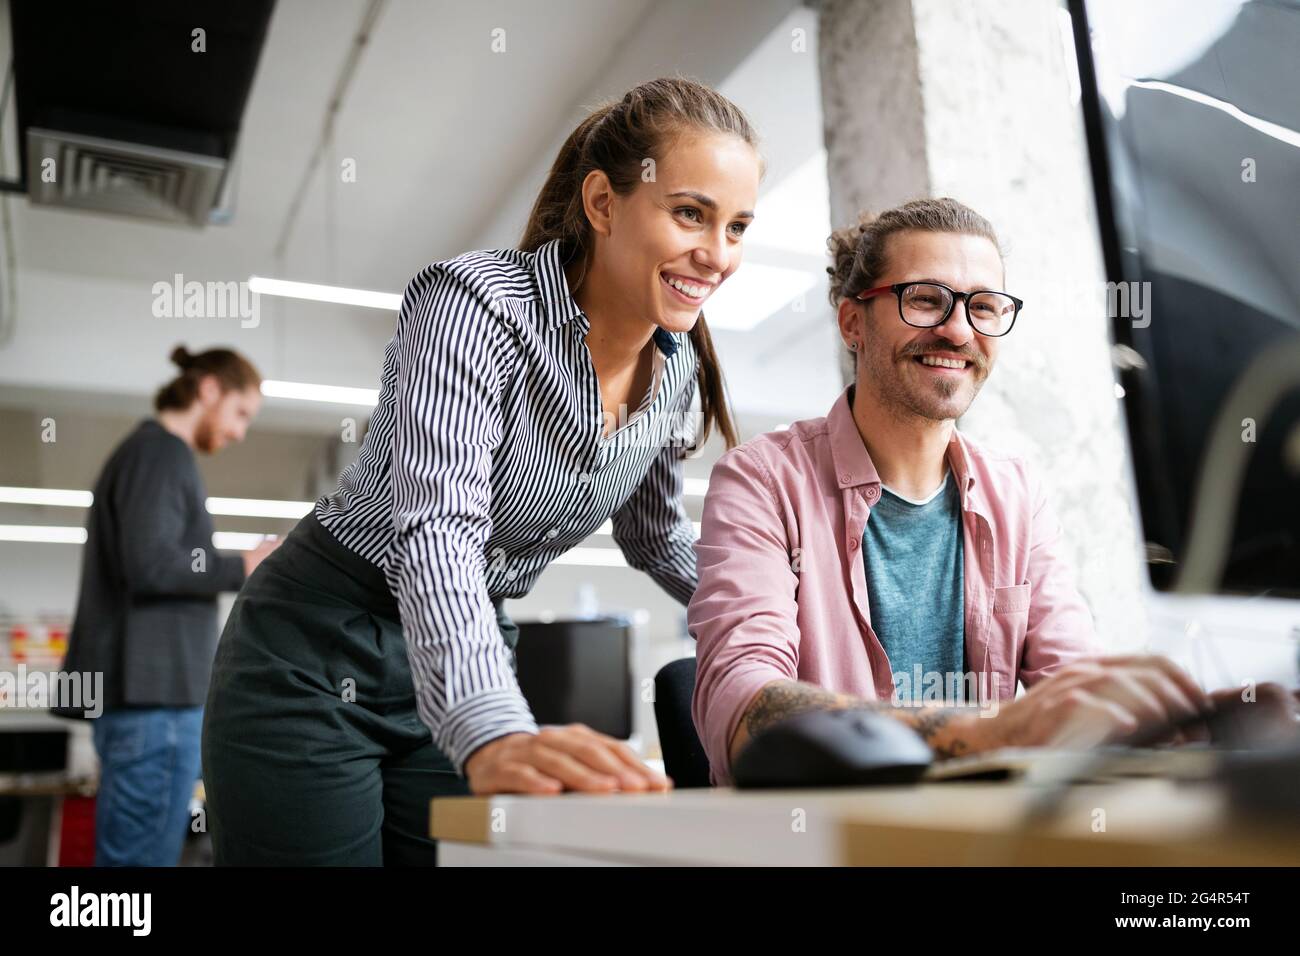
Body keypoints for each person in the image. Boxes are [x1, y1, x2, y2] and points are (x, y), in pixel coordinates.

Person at [201, 76, 762, 865]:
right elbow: (438, 528)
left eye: (738, 226)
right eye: (690, 213)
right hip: (318, 643)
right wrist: (491, 727)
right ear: (603, 203)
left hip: (472, 638)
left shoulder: (676, 373)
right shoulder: (476, 306)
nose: (719, 253)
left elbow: (656, 538)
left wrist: (787, 627)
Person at [689, 198, 1298, 785]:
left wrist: (1197, 724)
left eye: (984, 307)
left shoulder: (1015, 492)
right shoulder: (762, 479)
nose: (958, 331)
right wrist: (997, 728)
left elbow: (1075, 686)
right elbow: (745, 712)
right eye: (925, 300)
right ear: (853, 322)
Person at [57, 345, 276, 865]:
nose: (240, 432)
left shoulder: (148, 454)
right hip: (154, 704)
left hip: (148, 704)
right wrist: (241, 565)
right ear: (208, 390)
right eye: (240, 413)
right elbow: (151, 563)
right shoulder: (160, 454)